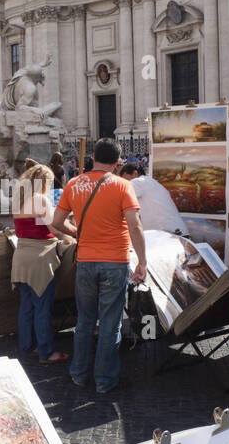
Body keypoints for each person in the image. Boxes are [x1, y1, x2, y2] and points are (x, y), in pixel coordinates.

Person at [52, 137, 147, 394]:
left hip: (85, 261)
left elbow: (56, 223)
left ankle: (79, 374)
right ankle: (104, 380)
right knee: (110, 323)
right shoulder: (122, 186)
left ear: (93, 158)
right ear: (117, 163)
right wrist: (142, 261)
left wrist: (77, 233)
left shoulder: (73, 184)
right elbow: (135, 226)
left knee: (84, 321)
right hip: (115, 261)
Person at [11, 164, 72, 365]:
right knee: (42, 307)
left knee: (26, 306)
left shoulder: (19, 200)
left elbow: (39, 226)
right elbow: (55, 227)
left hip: (21, 256)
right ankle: (46, 352)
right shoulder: (40, 199)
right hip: (39, 258)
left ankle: (27, 347)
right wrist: (74, 233)